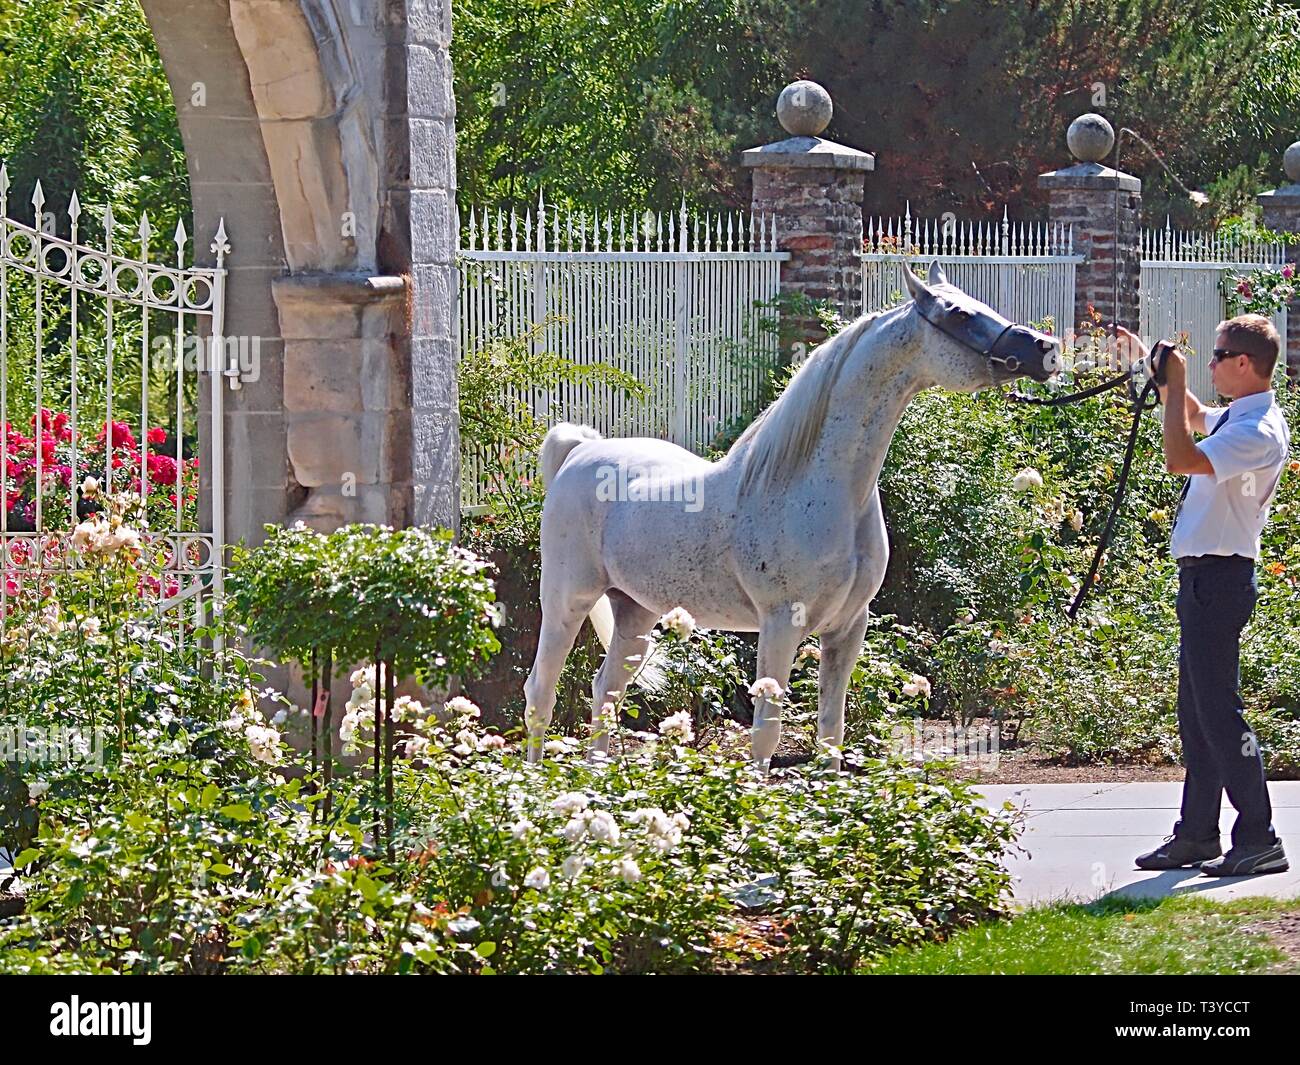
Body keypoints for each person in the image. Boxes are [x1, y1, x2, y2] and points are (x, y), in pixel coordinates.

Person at [1113, 316, 1291, 876]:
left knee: (1220, 712)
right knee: (1198, 714)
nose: (1210, 363)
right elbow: (1191, 413)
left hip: (1221, 579)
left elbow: (1180, 456)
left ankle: (1259, 835)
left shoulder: (1258, 431)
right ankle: (1197, 834)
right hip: (1204, 580)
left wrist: (1178, 377)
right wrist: (1156, 370)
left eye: (1217, 355)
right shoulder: (1239, 416)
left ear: (1244, 364)